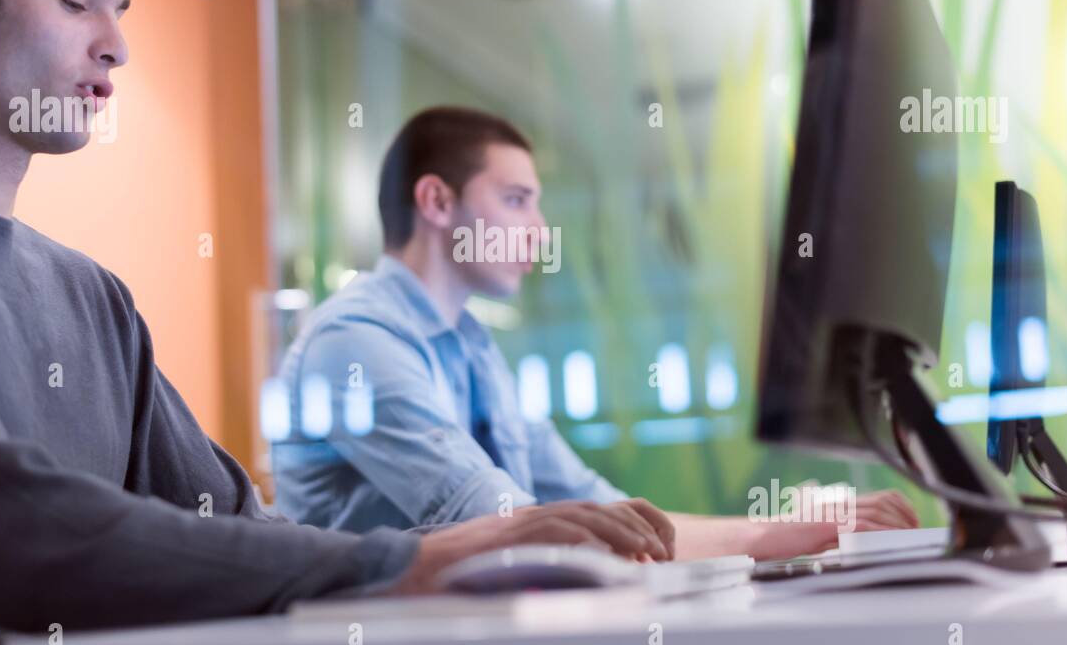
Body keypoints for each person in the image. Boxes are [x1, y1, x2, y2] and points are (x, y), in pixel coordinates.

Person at [0, 0, 674, 645]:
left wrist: (467, 556)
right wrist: (401, 566)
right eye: (74, 1)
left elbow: (238, 527)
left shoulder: (90, 296)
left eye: (120, 11)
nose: (116, 48)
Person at [272, 106, 920, 558]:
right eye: (517, 200)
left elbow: (601, 510)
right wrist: (764, 533)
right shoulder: (355, 341)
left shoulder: (473, 350)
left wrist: (776, 528)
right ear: (438, 202)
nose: (540, 228)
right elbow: (513, 525)